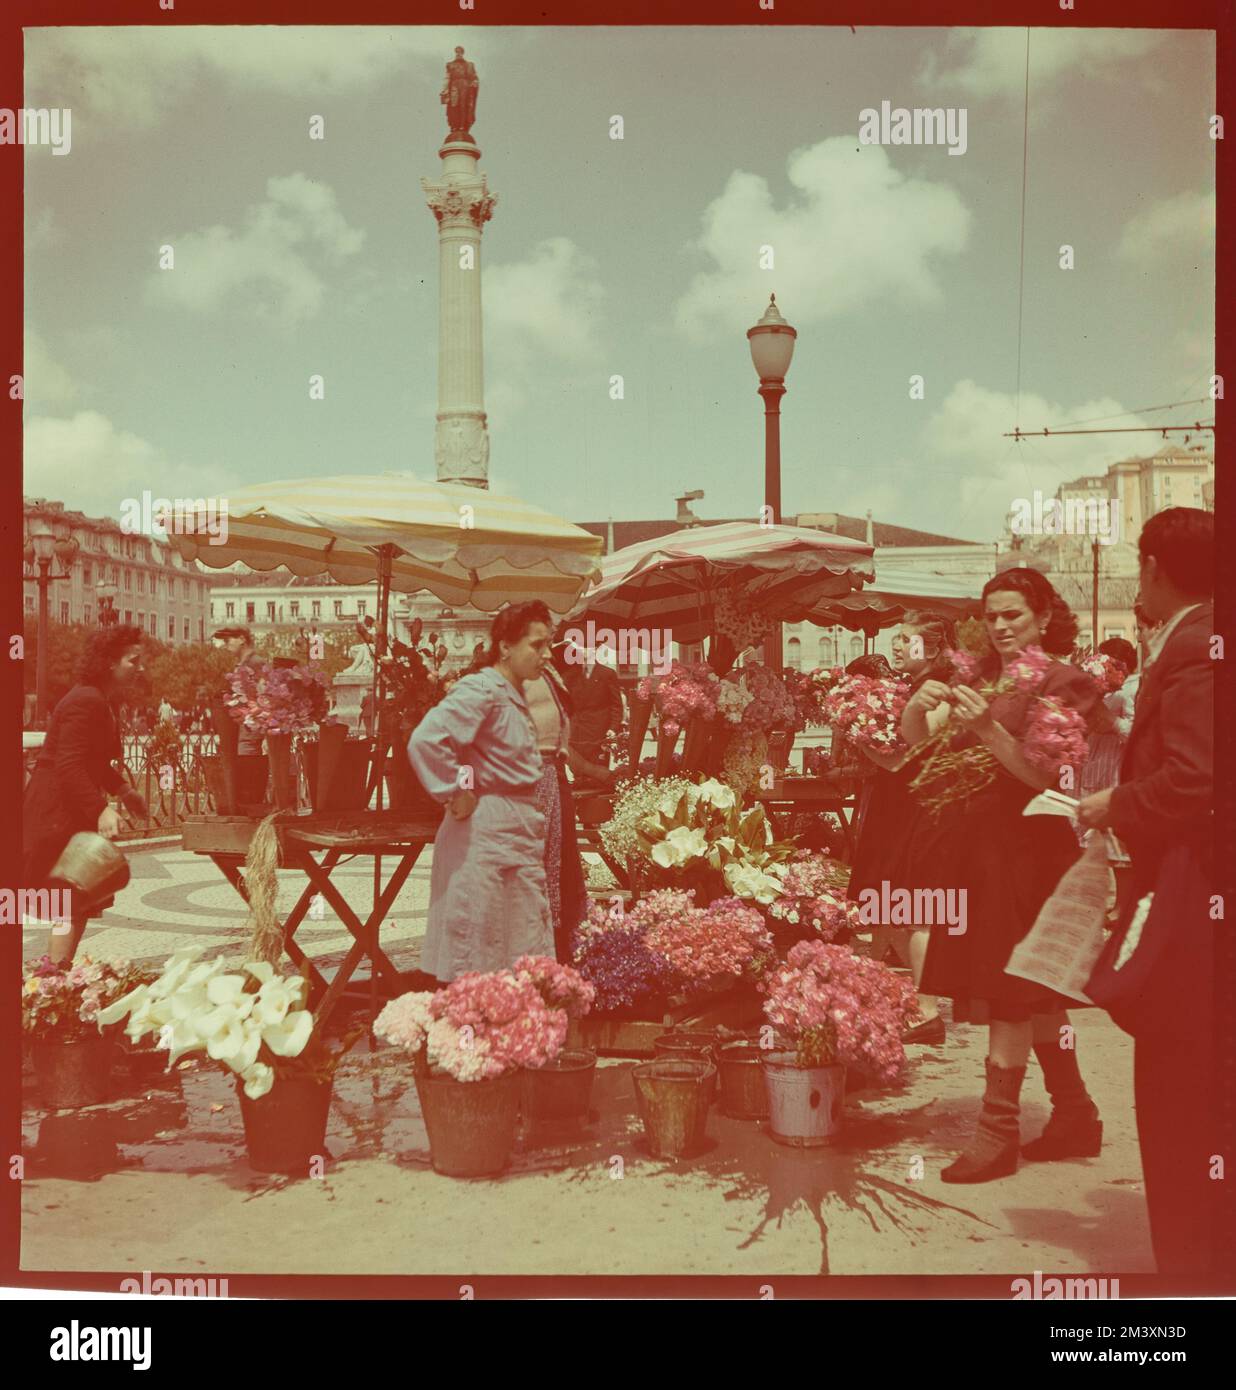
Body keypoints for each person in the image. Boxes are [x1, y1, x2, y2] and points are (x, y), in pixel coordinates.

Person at [901, 569, 1103, 1183]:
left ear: (1043, 617)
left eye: (1013, 614)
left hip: (1028, 858)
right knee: (1032, 993)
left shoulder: (1063, 683)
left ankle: (997, 1136)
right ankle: (1075, 1115)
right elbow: (918, 748)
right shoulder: (979, 675)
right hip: (982, 853)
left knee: (1013, 993)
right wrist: (918, 706)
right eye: (992, 615)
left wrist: (987, 728)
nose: (1001, 626)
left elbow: (1046, 778)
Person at [1077, 508, 1215, 1275]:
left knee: (1175, 1075)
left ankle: (1192, 1269)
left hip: (1193, 893)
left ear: (1156, 566)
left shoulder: (1196, 645)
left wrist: (1114, 804)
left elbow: (1197, 777)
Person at [407, 600, 554, 982]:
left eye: (547, 644)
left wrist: (468, 781)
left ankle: (512, 1035)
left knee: (517, 947)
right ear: (505, 646)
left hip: (514, 833)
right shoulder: (483, 689)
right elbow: (427, 740)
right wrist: (458, 790)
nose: (546, 654)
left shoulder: (512, 693)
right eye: (536, 645)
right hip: (484, 837)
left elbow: (475, 756)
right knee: (480, 950)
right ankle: (475, 1034)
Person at [847, 613, 957, 1045]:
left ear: (929, 648)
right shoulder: (914, 687)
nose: (897, 647)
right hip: (903, 805)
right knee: (898, 904)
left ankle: (928, 1010)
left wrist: (863, 744)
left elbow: (913, 754)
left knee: (919, 908)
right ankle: (911, 1003)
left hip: (921, 808)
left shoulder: (940, 688)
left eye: (906, 640)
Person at [22, 626, 150, 964]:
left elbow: (93, 761)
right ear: (109, 662)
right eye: (133, 660)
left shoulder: (100, 698)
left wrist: (124, 790)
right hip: (55, 809)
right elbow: (69, 764)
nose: (140, 667)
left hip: (66, 807)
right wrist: (100, 811)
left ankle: (55, 977)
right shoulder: (87, 699)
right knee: (59, 895)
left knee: (72, 897)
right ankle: (52, 979)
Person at [523, 659, 589, 961]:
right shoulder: (501, 678)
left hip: (556, 782)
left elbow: (558, 741)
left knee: (562, 873)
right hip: (530, 789)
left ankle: (561, 959)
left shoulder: (547, 672)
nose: (547, 649)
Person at [561, 642, 625, 768]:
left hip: (599, 733)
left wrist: (613, 728)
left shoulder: (607, 673)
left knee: (598, 773)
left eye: (586, 647)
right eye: (580, 646)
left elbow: (616, 705)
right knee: (578, 775)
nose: (583, 650)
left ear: (595, 650)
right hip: (576, 732)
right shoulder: (570, 675)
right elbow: (564, 703)